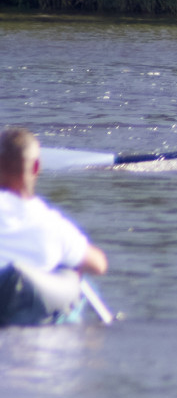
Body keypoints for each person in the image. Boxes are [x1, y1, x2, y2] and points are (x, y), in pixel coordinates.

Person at [0, 128, 110, 327]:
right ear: (36, 167)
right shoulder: (51, 223)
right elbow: (99, 265)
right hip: (30, 322)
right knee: (72, 273)